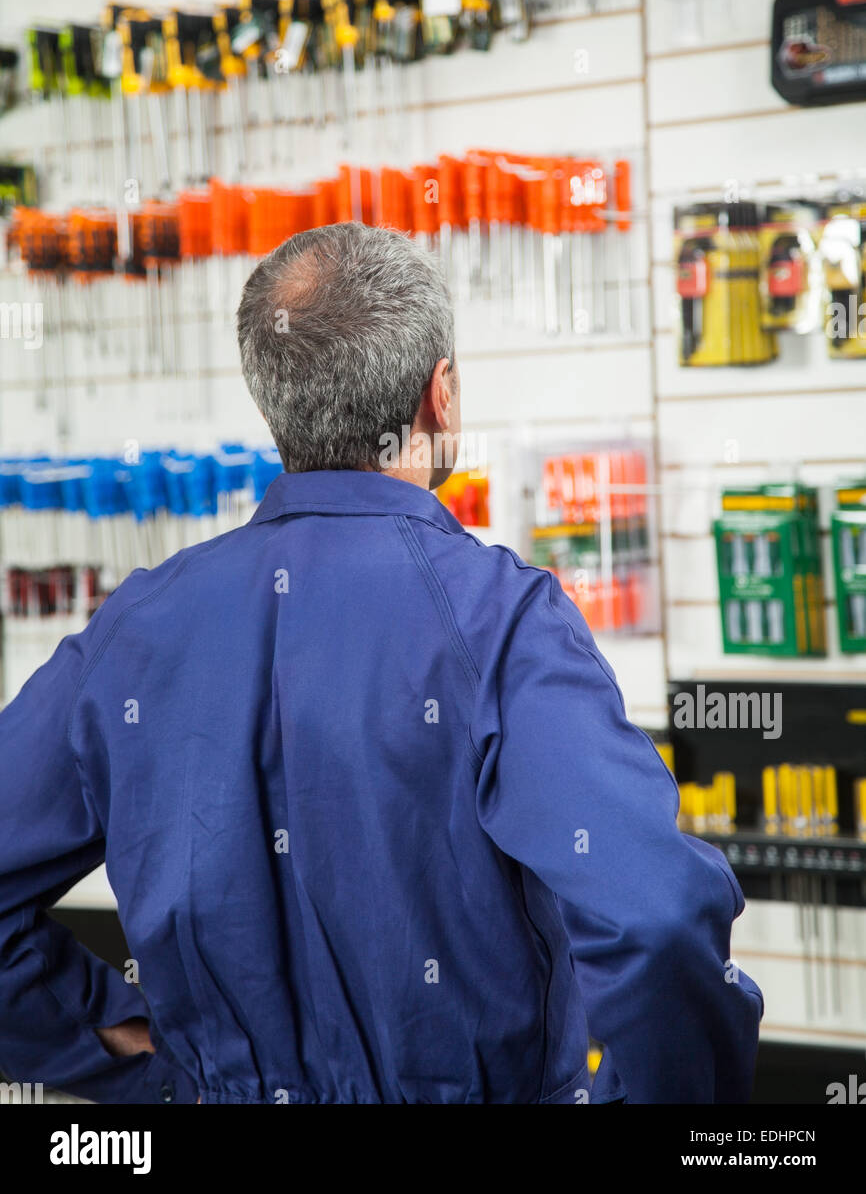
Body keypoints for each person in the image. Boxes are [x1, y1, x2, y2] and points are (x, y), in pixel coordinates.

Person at [0, 223, 762, 1104]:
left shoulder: (135, 630)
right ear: (442, 398)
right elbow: (658, 920)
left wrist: (131, 1058)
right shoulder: (499, 623)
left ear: (273, 406)